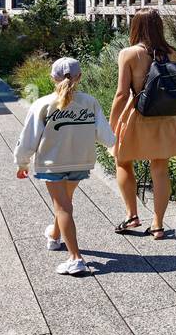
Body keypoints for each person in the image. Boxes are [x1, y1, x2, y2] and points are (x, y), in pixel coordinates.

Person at [13, 57, 116, 277]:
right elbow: (107, 137)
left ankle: (75, 258)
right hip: (80, 161)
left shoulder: (42, 104)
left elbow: (28, 139)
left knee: (63, 207)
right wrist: (116, 144)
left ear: (53, 77)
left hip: (52, 164)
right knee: (65, 204)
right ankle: (54, 236)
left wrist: (22, 163)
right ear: (79, 77)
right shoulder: (90, 102)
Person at [111, 7, 176, 239]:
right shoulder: (172, 52)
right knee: (160, 168)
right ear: (159, 26)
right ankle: (157, 224)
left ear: (135, 26)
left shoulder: (129, 53)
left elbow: (121, 94)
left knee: (123, 161)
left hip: (138, 115)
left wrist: (112, 122)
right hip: (166, 117)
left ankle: (132, 215)